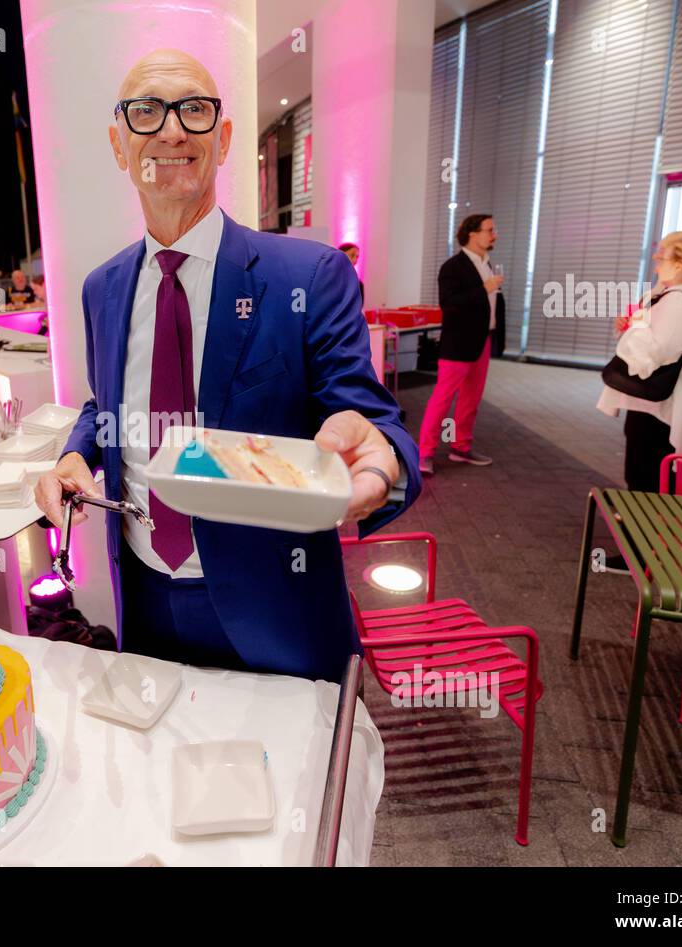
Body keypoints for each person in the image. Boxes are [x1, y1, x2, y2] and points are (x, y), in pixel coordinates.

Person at [33, 49, 419, 682]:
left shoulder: (309, 275)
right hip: (145, 595)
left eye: (194, 109)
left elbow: (370, 420)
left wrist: (381, 461)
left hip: (274, 601)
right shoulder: (102, 287)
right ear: (119, 144)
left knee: (288, 778)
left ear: (224, 137)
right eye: (146, 111)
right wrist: (78, 454)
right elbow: (106, 404)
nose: (172, 129)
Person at [598, 229, 682, 493]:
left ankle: (642, 529)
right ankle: (658, 526)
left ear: (680, 265)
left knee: (646, 476)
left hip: (660, 402)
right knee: (669, 478)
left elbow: (651, 356)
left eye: (662, 258)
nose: (656, 266)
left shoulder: (679, 298)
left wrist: (637, 325)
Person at [416, 213, 505, 475]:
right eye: (489, 230)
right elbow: (450, 304)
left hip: (482, 341)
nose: (494, 234)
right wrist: (484, 289)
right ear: (472, 234)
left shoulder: (487, 264)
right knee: (442, 400)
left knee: (471, 400)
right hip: (458, 344)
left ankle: (460, 447)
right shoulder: (453, 267)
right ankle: (425, 453)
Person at [337, 241, 364, 307]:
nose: (355, 260)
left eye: (357, 257)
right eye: (352, 255)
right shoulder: (329, 278)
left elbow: (358, 307)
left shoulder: (358, 283)